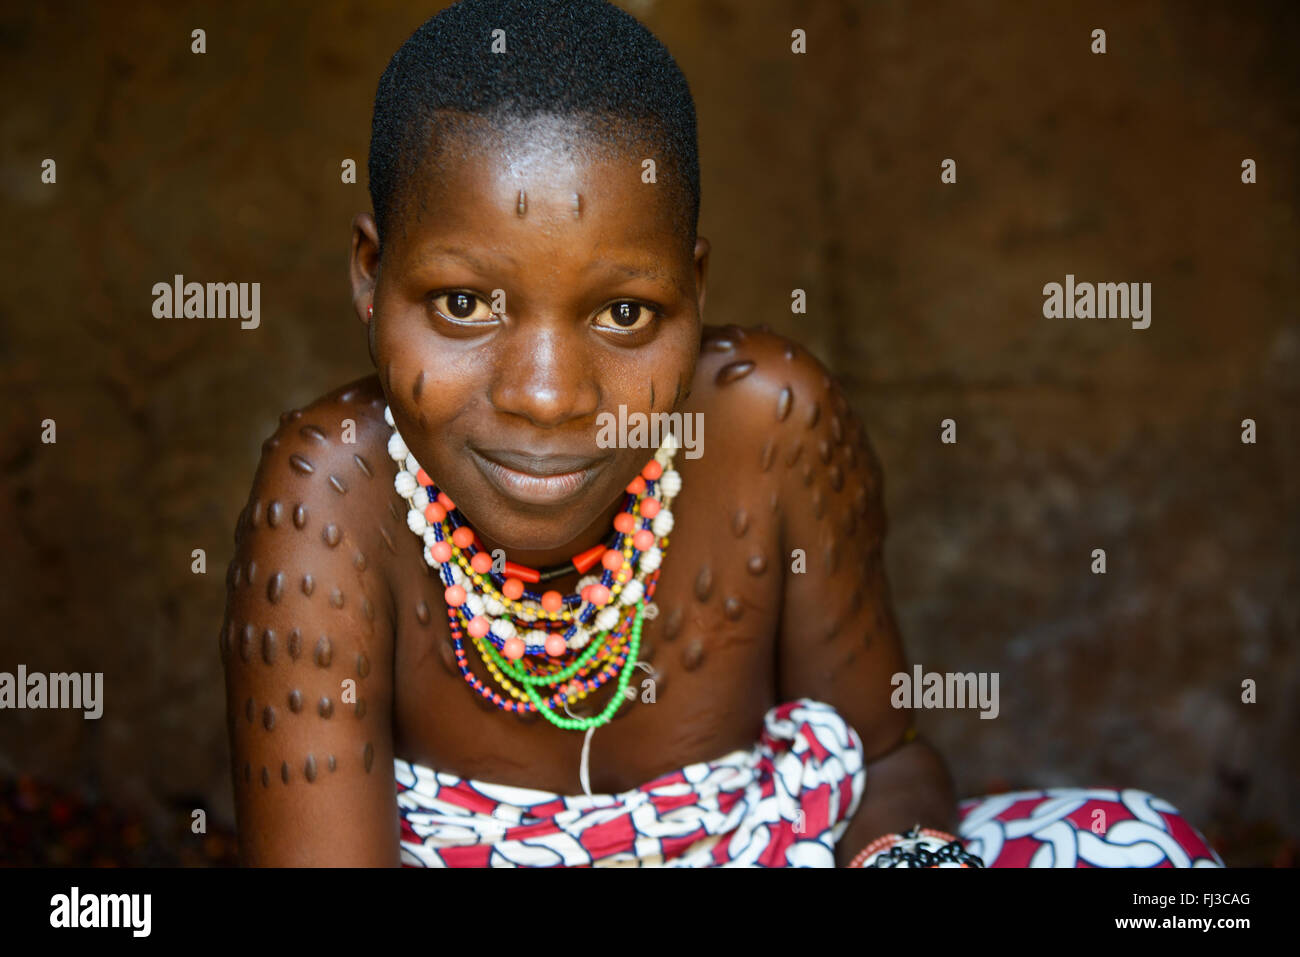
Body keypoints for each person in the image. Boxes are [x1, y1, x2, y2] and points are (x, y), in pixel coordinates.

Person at [219, 0, 1222, 868]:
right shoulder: (333, 497)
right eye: (464, 303)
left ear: (694, 291)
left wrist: (905, 856)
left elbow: (885, 759)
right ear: (368, 274)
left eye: (623, 314)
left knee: (1141, 852)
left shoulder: (765, 422)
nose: (547, 396)